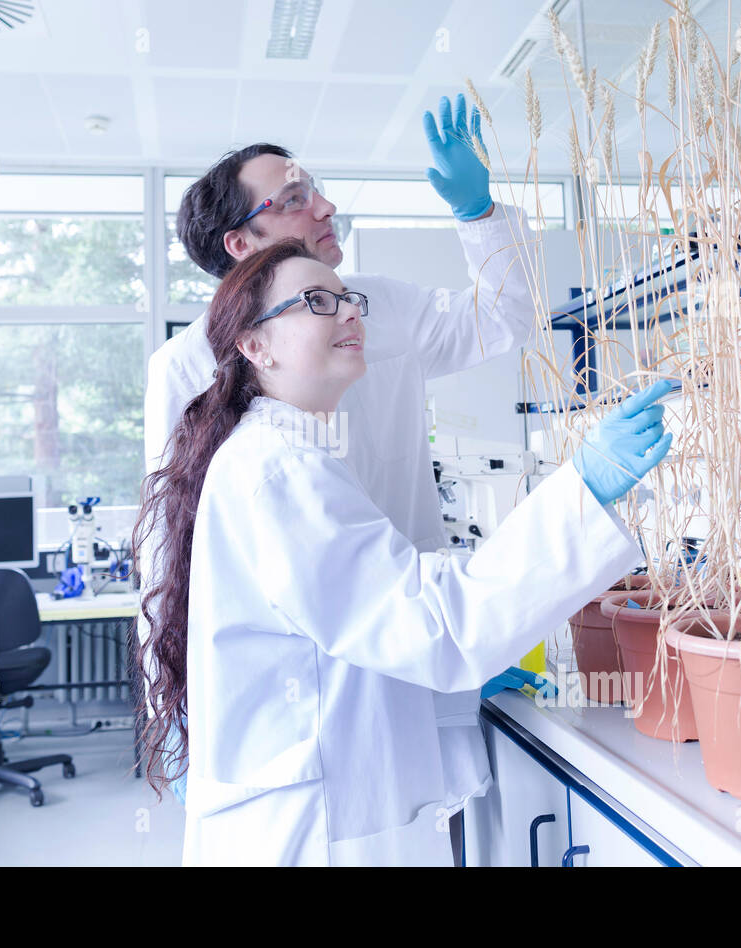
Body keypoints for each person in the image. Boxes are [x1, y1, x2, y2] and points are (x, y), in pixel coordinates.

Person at [132, 240, 673, 865]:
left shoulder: (289, 452)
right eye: (317, 302)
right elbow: (435, 623)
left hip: (320, 801)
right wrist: (580, 491)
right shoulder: (278, 469)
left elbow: (382, 594)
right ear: (255, 345)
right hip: (309, 826)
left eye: (348, 299)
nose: (349, 313)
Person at [139, 95, 547, 859]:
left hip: (409, 634)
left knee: (418, 835)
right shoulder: (186, 366)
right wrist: (182, 725)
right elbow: (168, 553)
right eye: (292, 199)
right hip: (281, 697)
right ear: (240, 241)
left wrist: (480, 212)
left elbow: (506, 319)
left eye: (315, 187)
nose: (324, 205)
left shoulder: (376, 305)